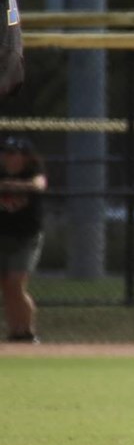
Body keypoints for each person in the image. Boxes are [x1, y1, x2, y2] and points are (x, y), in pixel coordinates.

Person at [0, 134, 47, 343]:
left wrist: (9, 185)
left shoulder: (33, 172)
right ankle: (15, 333)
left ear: (25, 157)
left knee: (16, 284)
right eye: (5, 153)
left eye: (13, 153)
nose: (7, 157)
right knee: (7, 287)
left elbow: (38, 185)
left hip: (26, 238)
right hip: (2, 236)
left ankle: (28, 332)